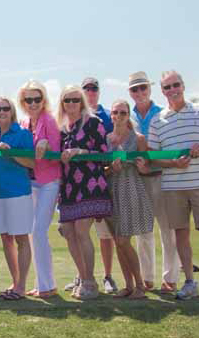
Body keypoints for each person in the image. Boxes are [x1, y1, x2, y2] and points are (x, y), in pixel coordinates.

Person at [148, 70, 199, 303]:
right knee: (181, 235)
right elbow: (153, 156)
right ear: (162, 91)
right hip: (173, 186)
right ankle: (189, 282)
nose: (172, 90)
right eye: (167, 87)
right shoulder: (157, 120)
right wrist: (173, 163)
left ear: (183, 86)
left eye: (175, 85)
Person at [127, 71, 183, 293]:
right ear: (130, 92)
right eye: (135, 89)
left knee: (168, 230)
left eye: (143, 87)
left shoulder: (163, 113)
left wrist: (153, 164)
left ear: (150, 89)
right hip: (137, 178)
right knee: (143, 232)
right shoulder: (127, 117)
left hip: (162, 176)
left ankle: (170, 277)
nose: (139, 92)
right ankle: (147, 277)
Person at [56, 85, 112, 300]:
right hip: (69, 186)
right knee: (68, 231)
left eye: (75, 100)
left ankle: (89, 282)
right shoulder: (62, 128)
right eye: (67, 100)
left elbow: (104, 154)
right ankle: (83, 276)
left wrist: (81, 151)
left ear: (82, 102)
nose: (71, 104)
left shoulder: (93, 122)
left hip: (90, 184)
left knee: (81, 230)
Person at [104, 100, 154, 299]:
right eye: (115, 112)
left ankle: (140, 285)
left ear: (128, 115)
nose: (118, 116)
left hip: (130, 189)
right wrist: (110, 168)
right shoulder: (106, 139)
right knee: (118, 241)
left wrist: (143, 167)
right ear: (111, 115)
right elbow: (101, 170)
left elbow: (146, 167)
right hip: (111, 190)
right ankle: (128, 286)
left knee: (123, 240)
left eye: (123, 112)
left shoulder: (138, 138)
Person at [0, 97, 35, 301]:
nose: (2, 112)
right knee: (6, 238)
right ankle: (15, 283)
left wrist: (12, 154)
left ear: (12, 111)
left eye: (5, 108)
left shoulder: (23, 133)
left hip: (18, 193)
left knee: (21, 238)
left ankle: (21, 286)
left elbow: (32, 163)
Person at [18, 80, 61, 299]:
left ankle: (47, 286)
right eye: (29, 100)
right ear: (23, 102)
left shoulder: (50, 121)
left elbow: (57, 152)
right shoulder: (24, 123)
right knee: (33, 233)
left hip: (49, 182)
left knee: (38, 232)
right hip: (31, 183)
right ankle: (41, 283)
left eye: (37, 99)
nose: (33, 103)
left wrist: (47, 145)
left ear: (43, 100)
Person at [81, 77, 117, 294]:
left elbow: (110, 147)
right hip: (79, 183)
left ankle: (107, 276)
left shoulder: (107, 116)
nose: (90, 92)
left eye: (94, 88)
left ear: (99, 91)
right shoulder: (73, 114)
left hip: (102, 179)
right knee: (79, 233)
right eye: (86, 89)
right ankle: (82, 275)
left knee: (104, 234)